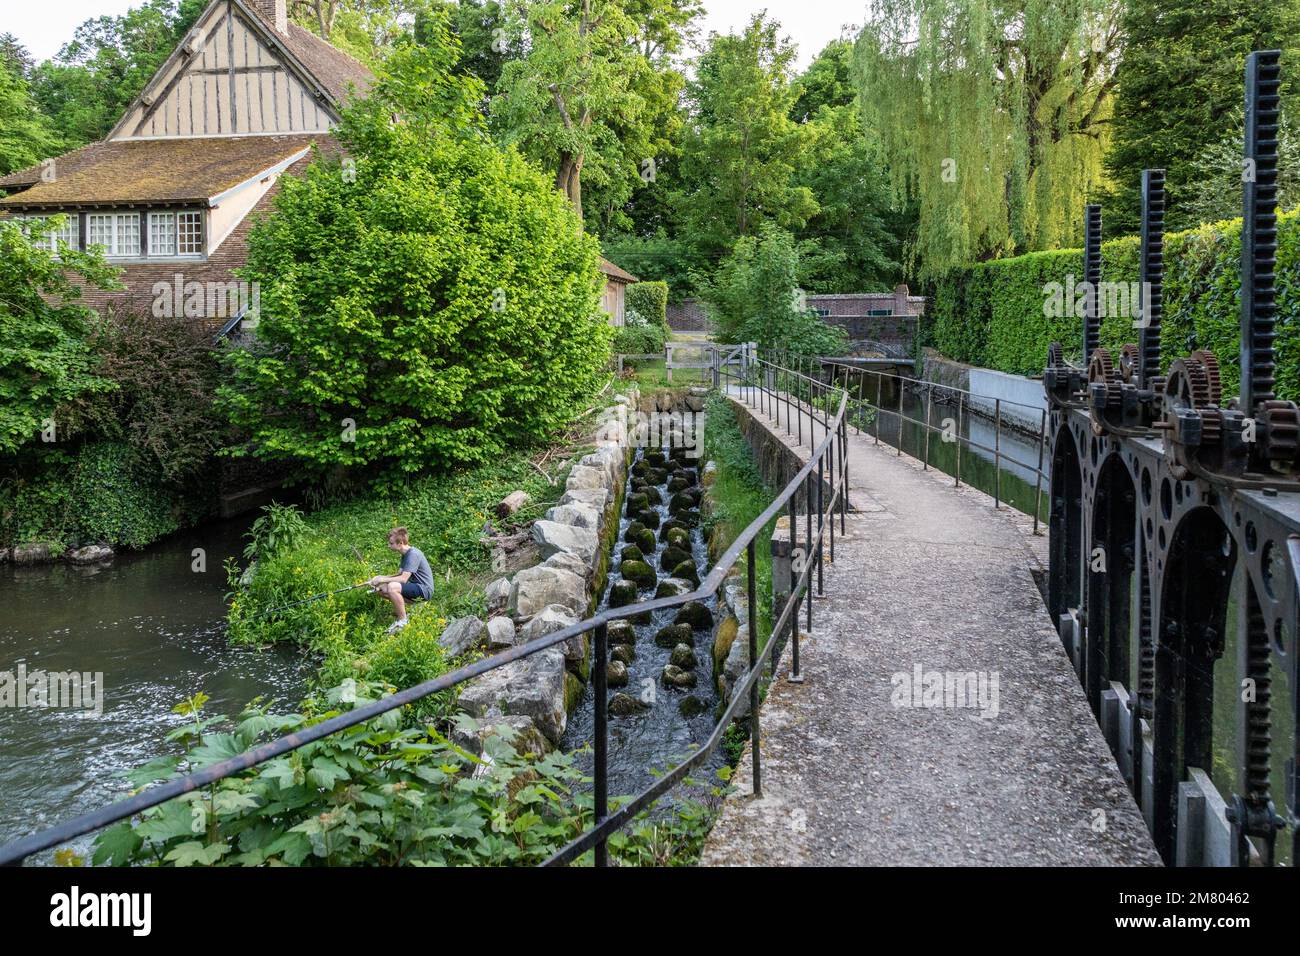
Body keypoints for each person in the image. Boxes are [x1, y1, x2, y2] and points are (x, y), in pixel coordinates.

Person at [367, 527, 434, 633]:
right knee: (381, 589)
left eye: (391, 543)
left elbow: (403, 579)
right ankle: (412, 607)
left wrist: (383, 578)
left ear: (400, 543)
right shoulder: (405, 554)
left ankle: (403, 621)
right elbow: (399, 574)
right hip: (416, 587)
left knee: (392, 587)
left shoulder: (413, 554)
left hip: (424, 590)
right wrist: (379, 579)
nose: (388, 546)